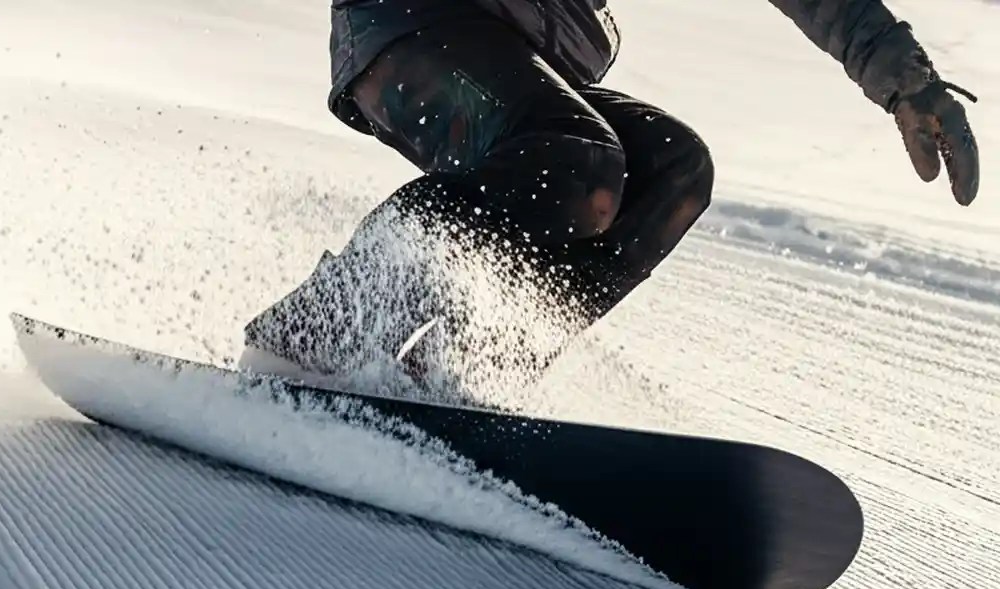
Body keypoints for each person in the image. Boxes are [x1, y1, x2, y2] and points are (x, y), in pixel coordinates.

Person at [238, 0, 980, 403]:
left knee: (672, 171)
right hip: (418, 21)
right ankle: (317, 329)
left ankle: (460, 366)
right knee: (574, 161)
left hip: (524, 51)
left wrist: (905, 80)